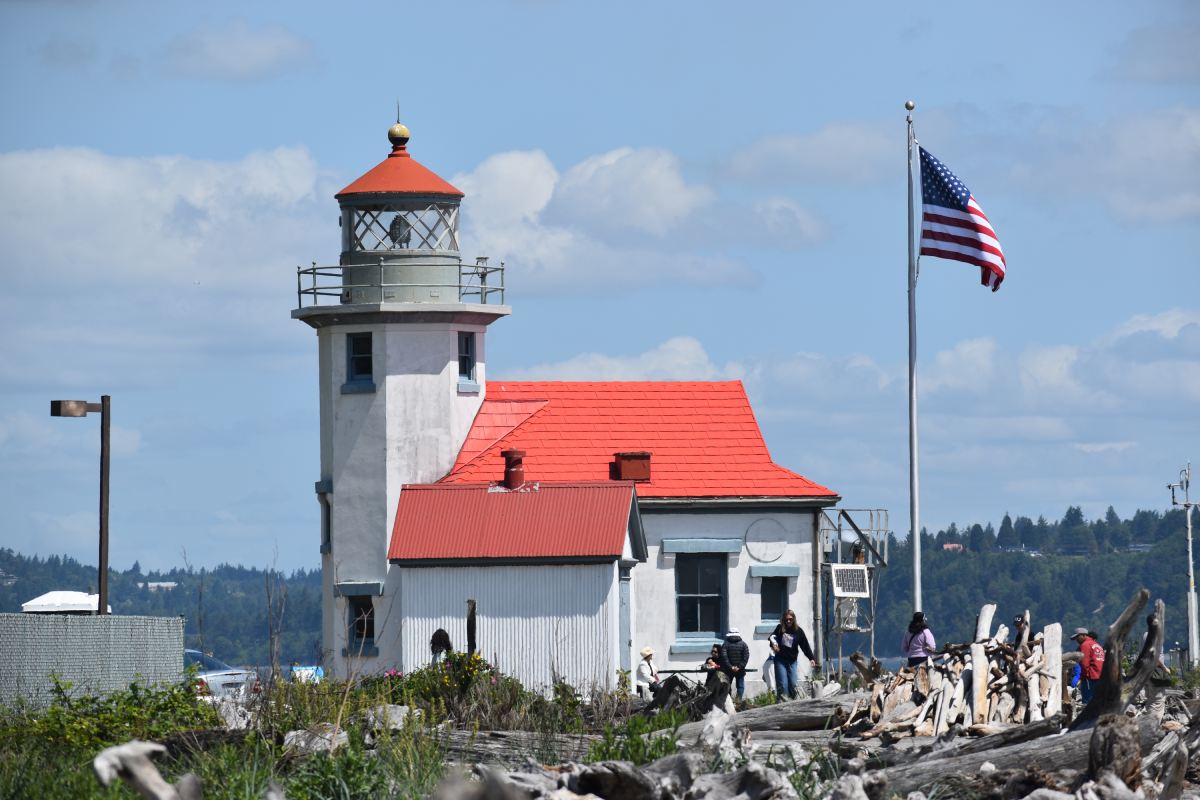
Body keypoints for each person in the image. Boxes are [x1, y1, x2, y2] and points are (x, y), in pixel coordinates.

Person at [769, 609, 817, 700]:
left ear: (794, 619)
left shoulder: (798, 631)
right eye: (786, 619)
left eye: (790, 619)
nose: (788, 621)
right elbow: (772, 638)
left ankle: (793, 703)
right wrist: (774, 645)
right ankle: (782, 703)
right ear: (783, 620)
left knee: (793, 684)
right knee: (783, 685)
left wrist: (811, 658)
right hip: (780, 660)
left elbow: (805, 645)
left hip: (792, 661)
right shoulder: (779, 628)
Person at [1071, 627, 1105, 703]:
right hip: (1100, 676)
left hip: (1090, 676)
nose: (1076, 640)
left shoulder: (1085, 645)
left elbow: (1084, 662)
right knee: (1096, 700)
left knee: (1087, 701)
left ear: (1083, 635)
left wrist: (1083, 676)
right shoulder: (1098, 646)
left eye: (1077, 637)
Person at [720, 627, 750, 700]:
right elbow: (746, 657)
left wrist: (731, 667)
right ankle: (738, 701)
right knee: (740, 686)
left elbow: (724, 657)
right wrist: (739, 667)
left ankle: (728, 701)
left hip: (728, 670)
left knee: (727, 685)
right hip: (740, 670)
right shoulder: (744, 644)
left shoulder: (725, 644)